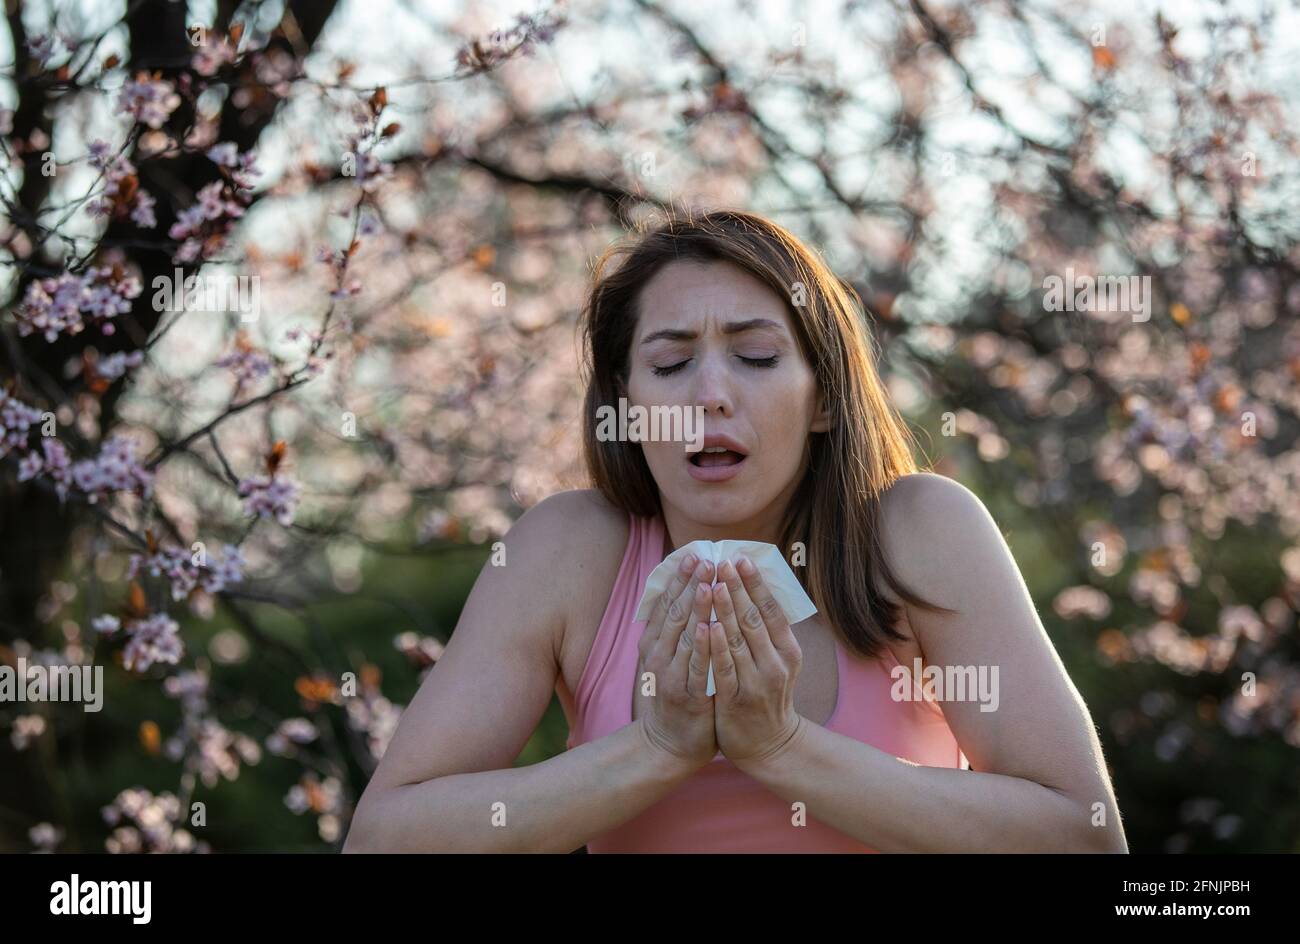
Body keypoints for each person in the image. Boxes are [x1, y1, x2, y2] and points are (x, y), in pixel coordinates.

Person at [342, 208, 1128, 853]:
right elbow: (385, 839)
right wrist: (657, 750)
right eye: (671, 364)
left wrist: (780, 748)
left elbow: (1083, 837)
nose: (710, 395)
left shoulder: (921, 531)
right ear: (627, 402)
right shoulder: (567, 550)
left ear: (823, 398)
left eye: (755, 356)